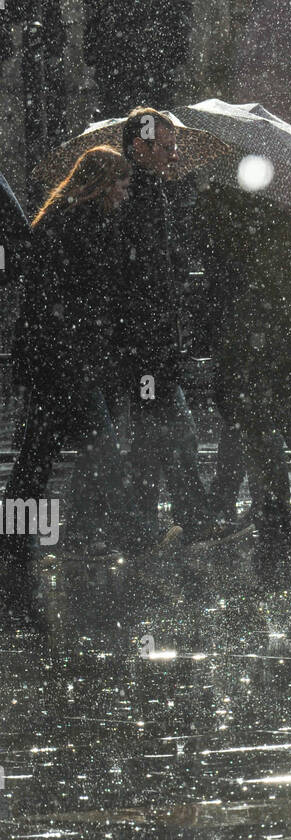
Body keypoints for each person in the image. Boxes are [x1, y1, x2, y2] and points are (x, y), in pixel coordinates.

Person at [0, 146, 162, 564]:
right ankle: (137, 537)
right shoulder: (80, 226)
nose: (126, 194)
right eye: (123, 185)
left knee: (37, 456)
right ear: (104, 184)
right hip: (67, 359)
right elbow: (83, 299)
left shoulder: (66, 220)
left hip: (55, 357)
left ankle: (16, 542)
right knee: (101, 449)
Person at [192, 183, 291, 583]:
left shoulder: (219, 205)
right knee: (282, 417)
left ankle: (273, 509)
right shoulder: (281, 207)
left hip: (245, 330)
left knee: (254, 421)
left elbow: (217, 266)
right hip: (279, 328)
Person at [117, 107, 220, 543]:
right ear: (139, 146)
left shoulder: (149, 190)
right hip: (147, 338)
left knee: (152, 439)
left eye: (175, 147)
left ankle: (143, 526)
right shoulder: (134, 194)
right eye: (165, 147)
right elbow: (141, 271)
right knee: (174, 434)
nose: (173, 156)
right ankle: (189, 522)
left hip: (149, 337)